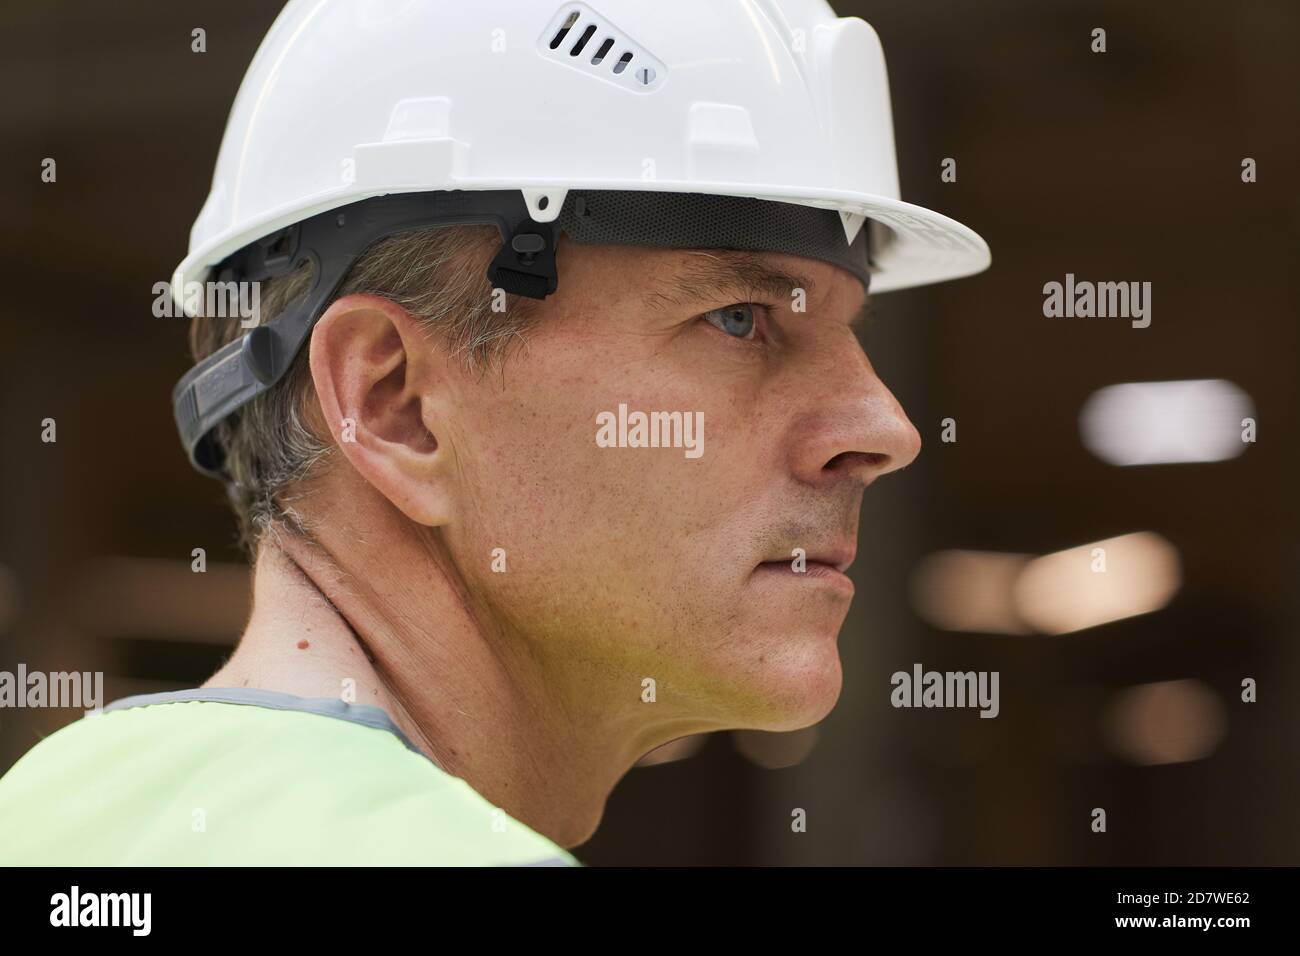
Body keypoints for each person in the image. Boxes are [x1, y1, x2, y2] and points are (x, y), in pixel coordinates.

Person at [0, 0, 989, 865]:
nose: (882, 426)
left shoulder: (47, 813)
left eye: (843, 328)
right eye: (738, 316)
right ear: (395, 402)